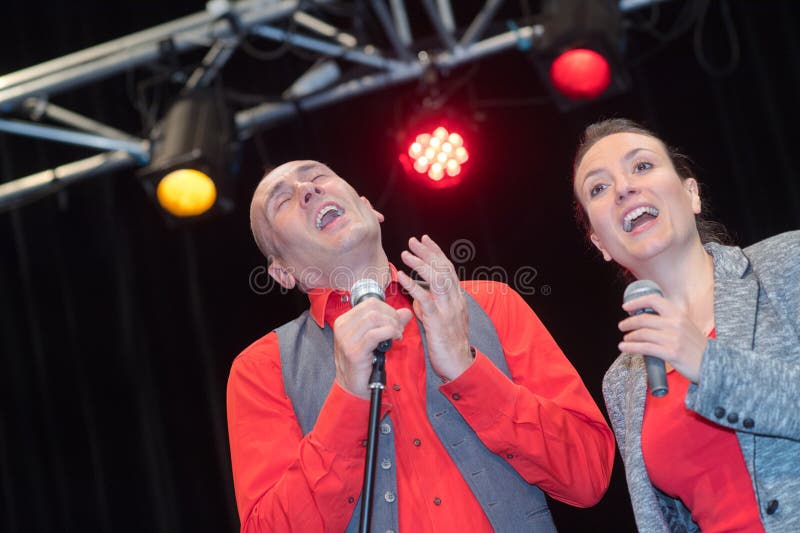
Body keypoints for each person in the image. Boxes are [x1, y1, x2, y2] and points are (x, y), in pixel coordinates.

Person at [227, 159, 615, 532]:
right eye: (283, 200)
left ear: (370, 209)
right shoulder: (263, 369)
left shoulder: (491, 304)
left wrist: (468, 371)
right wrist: (346, 401)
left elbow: (589, 475)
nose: (307, 189)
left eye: (318, 176)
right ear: (282, 272)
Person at [571, 118, 800, 532]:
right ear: (600, 244)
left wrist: (709, 364)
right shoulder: (623, 381)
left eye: (641, 166)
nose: (624, 188)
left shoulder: (789, 265)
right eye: (598, 188)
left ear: (691, 193)